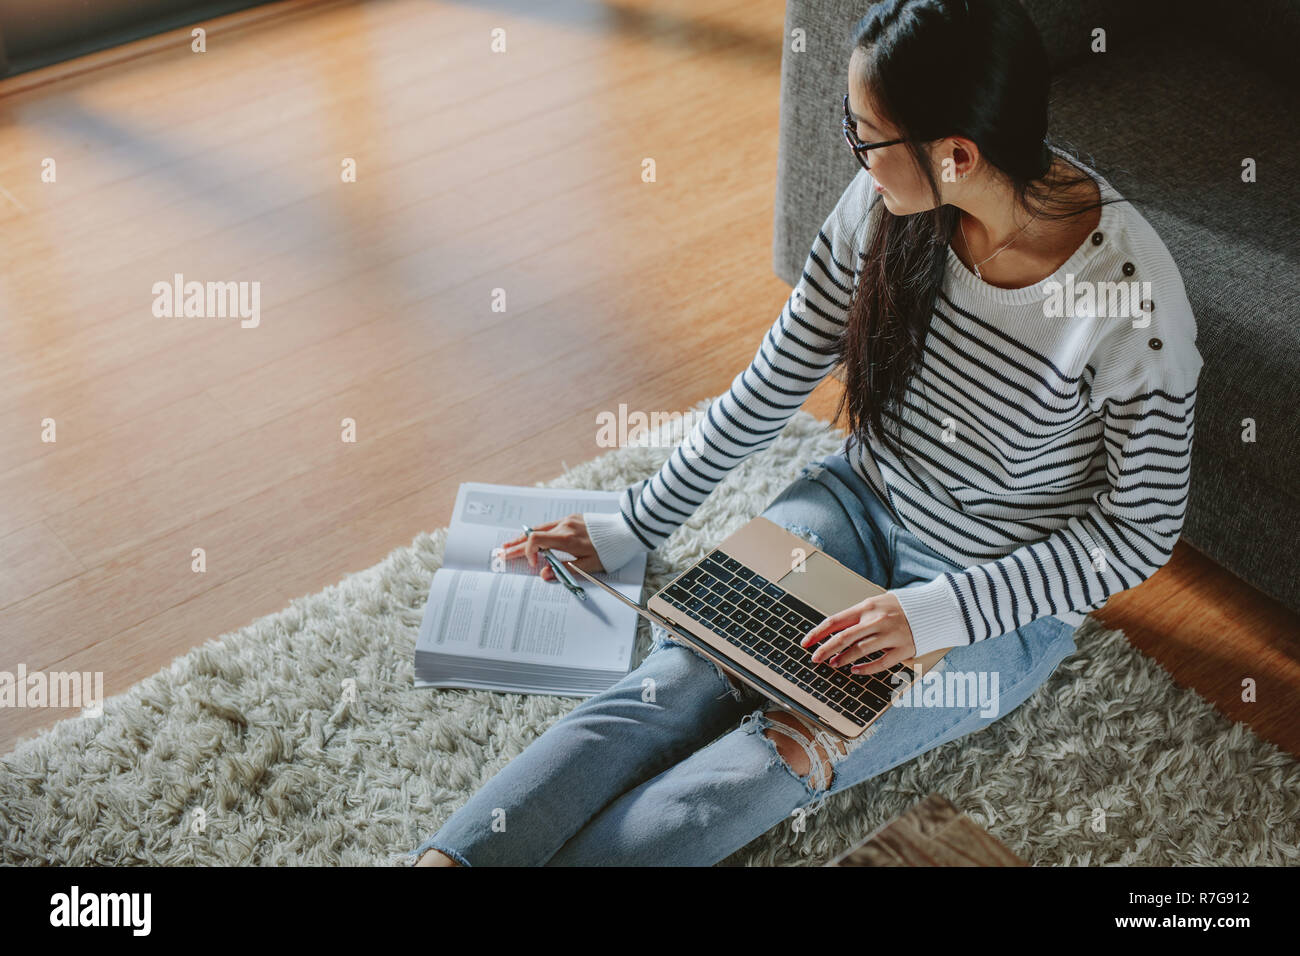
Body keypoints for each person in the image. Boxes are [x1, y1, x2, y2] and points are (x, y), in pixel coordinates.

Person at [412, 0, 1202, 866]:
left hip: (994, 599)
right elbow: (773, 380)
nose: (855, 156)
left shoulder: (1133, 306)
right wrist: (634, 521)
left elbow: (1139, 530)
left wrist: (937, 612)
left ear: (957, 155)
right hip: (856, 508)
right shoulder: (884, 203)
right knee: (678, 682)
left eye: (867, 135)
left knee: (779, 750)